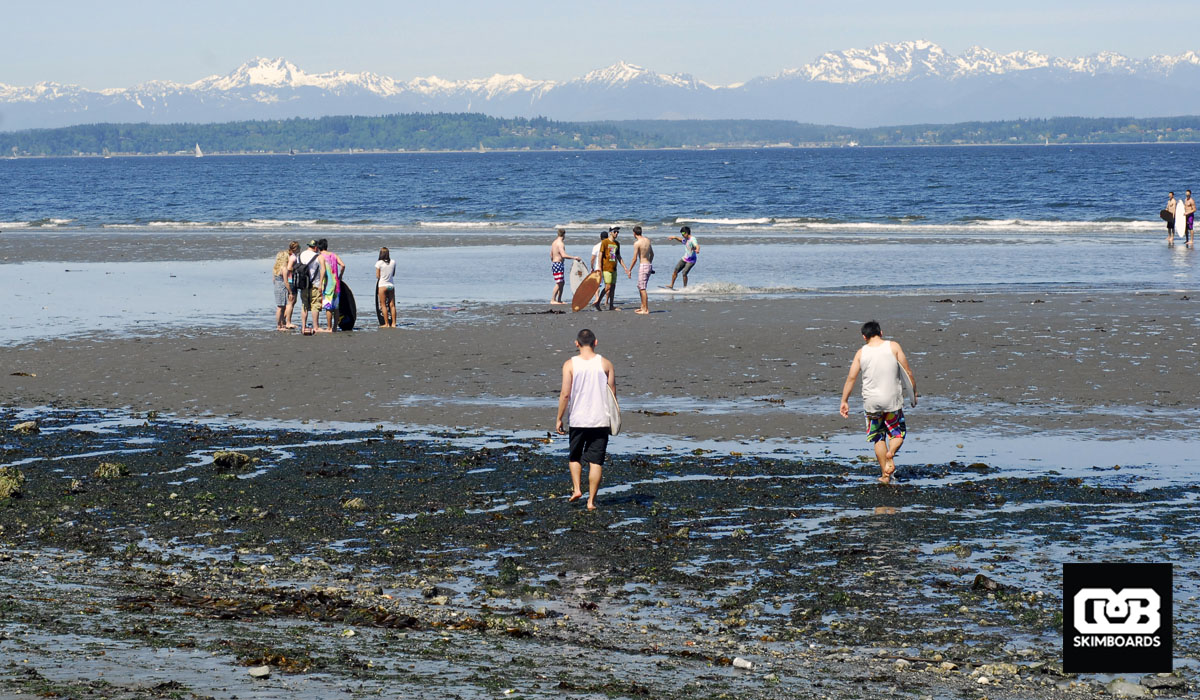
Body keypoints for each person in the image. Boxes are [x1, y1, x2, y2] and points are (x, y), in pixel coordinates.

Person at [839, 320, 918, 485]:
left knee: (878, 438)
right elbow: (907, 371)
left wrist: (844, 400)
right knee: (897, 434)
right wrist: (913, 393)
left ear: (864, 336)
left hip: (871, 403)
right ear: (881, 333)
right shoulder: (894, 346)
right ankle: (891, 453)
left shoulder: (861, 353)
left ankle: (885, 475)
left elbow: (851, 378)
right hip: (892, 401)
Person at [555, 328, 616, 510]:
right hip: (600, 419)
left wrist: (559, 418)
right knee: (596, 461)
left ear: (577, 344)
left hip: (578, 419)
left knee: (575, 456)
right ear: (595, 342)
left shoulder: (570, 365)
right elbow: (612, 394)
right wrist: (614, 419)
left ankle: (577, 489)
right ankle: (591, 502)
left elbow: (565, 394)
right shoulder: (606, 364)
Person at [596, 227, 628, 311]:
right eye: (615, 232)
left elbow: (618, 256)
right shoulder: (605, 242)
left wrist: (625, 267)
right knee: (608, 287)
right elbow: (600, 255)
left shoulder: (617, 243)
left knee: (613, 287)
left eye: (617, 232)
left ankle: (611, 305)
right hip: (606, 268)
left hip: (614, 268)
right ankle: (597, 303)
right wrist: (599, 267)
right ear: (610, 232)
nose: (616, 233)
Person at [317, 239, 346, 333]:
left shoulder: (321, 257)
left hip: (328, 284)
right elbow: (343, 265)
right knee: (336, 307)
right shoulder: (334, 255)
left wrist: (320, 284)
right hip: (336, 283)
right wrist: (340, 276)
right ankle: (334, 328)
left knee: (328, 307)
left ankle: (329, 328)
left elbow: (323, 270)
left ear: (318, 247)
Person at [626, 225, 654, 314]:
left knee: (642, 288)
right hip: (648, 264)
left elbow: (634, 258)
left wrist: (629, 269)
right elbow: (652, 254)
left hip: (643, 265)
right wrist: (650, 263)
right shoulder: (648, 240)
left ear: (634, 233)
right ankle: (642, 306)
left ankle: (645, 309)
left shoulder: (637, 243)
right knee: (640, 286)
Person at [550, 228, 581, 305]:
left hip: (555, 263)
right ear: (564, 234)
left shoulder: (554, 242)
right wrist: (574, 257)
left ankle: (559, 299)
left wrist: (554, 260)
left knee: (562, 282)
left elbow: (551, 254)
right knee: (559, 283)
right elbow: (563, 255)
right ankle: (553, 299)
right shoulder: (560, 243)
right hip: (558, 264)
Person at [298, 240, 323, 335]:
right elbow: (322, 271)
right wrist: (321, 284)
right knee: (315, 305)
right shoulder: (317, 257)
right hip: (315, 284)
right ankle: (315, 327)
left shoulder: (300, 255)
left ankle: (303, 327)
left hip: (303, 284)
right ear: (316, 247)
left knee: (304, 305)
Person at [272, 242, 299, 331]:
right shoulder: (283, 268)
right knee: (280, 307)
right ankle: (279, 325)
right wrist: (290, 291)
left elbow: (273, 280)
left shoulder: (275, 268)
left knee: (282, 306)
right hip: (282, 287)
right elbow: (286, 281)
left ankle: (281, 323)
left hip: (277, 287)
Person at [375, 247, 397, 328]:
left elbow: (378, 276)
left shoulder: (379, 263)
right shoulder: (393, 262)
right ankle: (394, 323)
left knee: (383, 305)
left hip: (382, 285)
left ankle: (387, 324)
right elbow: (393, 274)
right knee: (392, 305)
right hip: (391, 285)